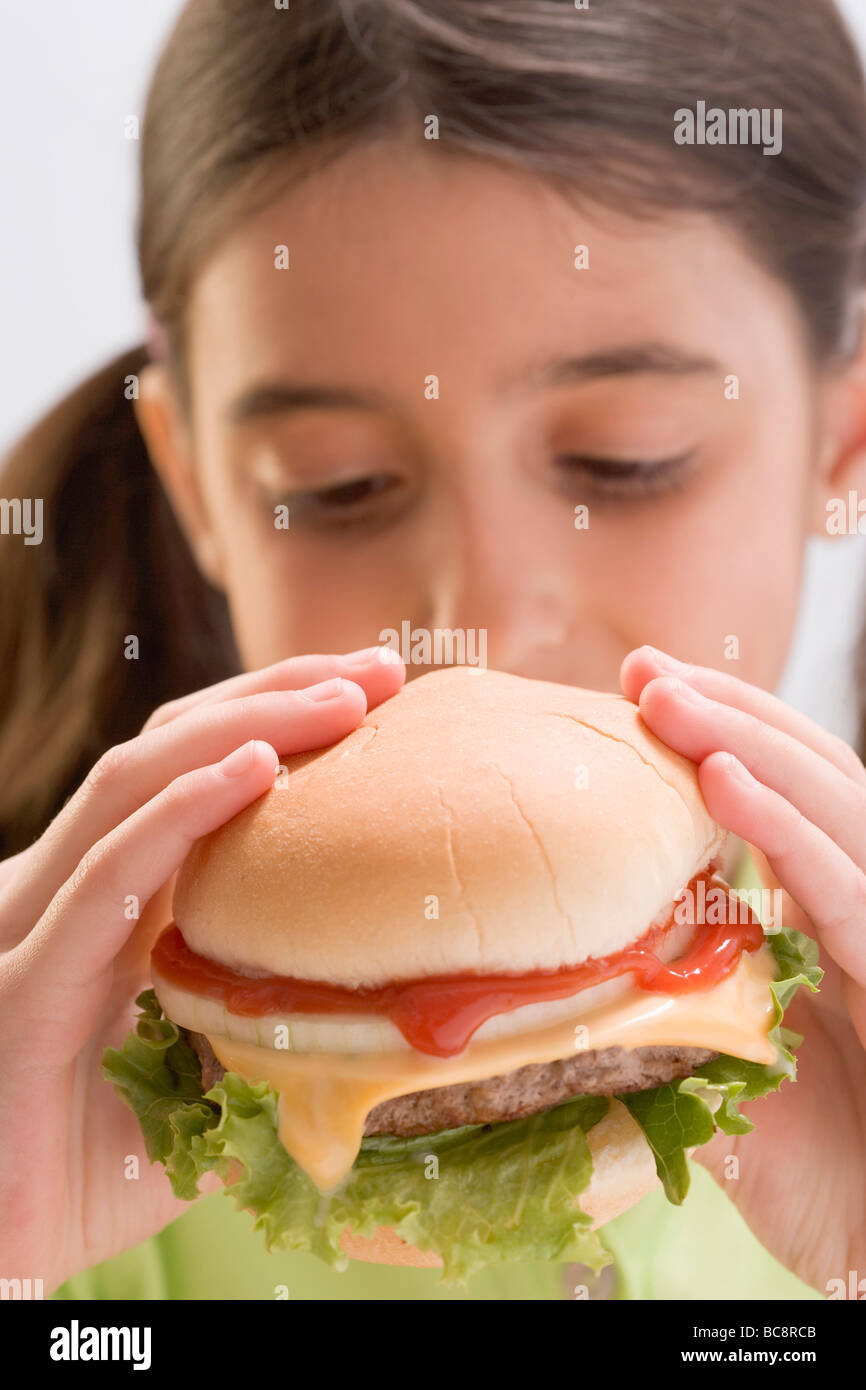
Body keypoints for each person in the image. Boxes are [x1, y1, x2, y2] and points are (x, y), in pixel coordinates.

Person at [1, 0, 865, 1301]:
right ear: (196, 492)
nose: (483, 622)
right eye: (333, 486)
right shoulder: (60, 1152)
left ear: (840, 447)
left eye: (621, 463)